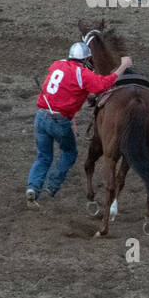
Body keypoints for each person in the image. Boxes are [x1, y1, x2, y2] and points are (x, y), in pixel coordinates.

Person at [26, 41, 132, 207]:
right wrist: (123, 66)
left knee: (43, 156)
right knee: (69, 152)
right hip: (59, 121)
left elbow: (66, 88)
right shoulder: (83, 74)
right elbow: (105, 83)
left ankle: (33, 187)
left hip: (41, 117)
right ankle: (52, 186)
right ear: (86, 59)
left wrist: (82, 96)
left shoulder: (57, 64)